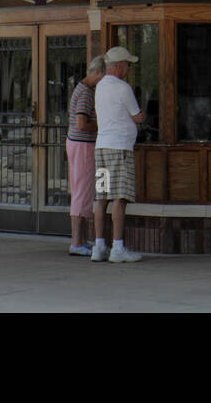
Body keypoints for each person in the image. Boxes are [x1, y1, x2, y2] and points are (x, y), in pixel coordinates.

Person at [92, 46, 146, 263]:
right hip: (120, 148)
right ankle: (118, 247)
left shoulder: (100, 86)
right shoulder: (123, 88)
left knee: (102, 197)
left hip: (102, 147)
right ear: (119, 65)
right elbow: (137, 117)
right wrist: (142, 116)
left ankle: (99, 246)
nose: (129, 69)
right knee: (119, 197)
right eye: (128, 65)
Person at [66, 55, 106, 255]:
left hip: (77, 144)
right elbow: (81, 123)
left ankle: (80, 241)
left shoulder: (83, 89)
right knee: (82, 192)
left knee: (81, 191)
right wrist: (101, 125)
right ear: (96, 73)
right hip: (83, 145)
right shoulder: (86, 93)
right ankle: (77, 242)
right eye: (103, 76)